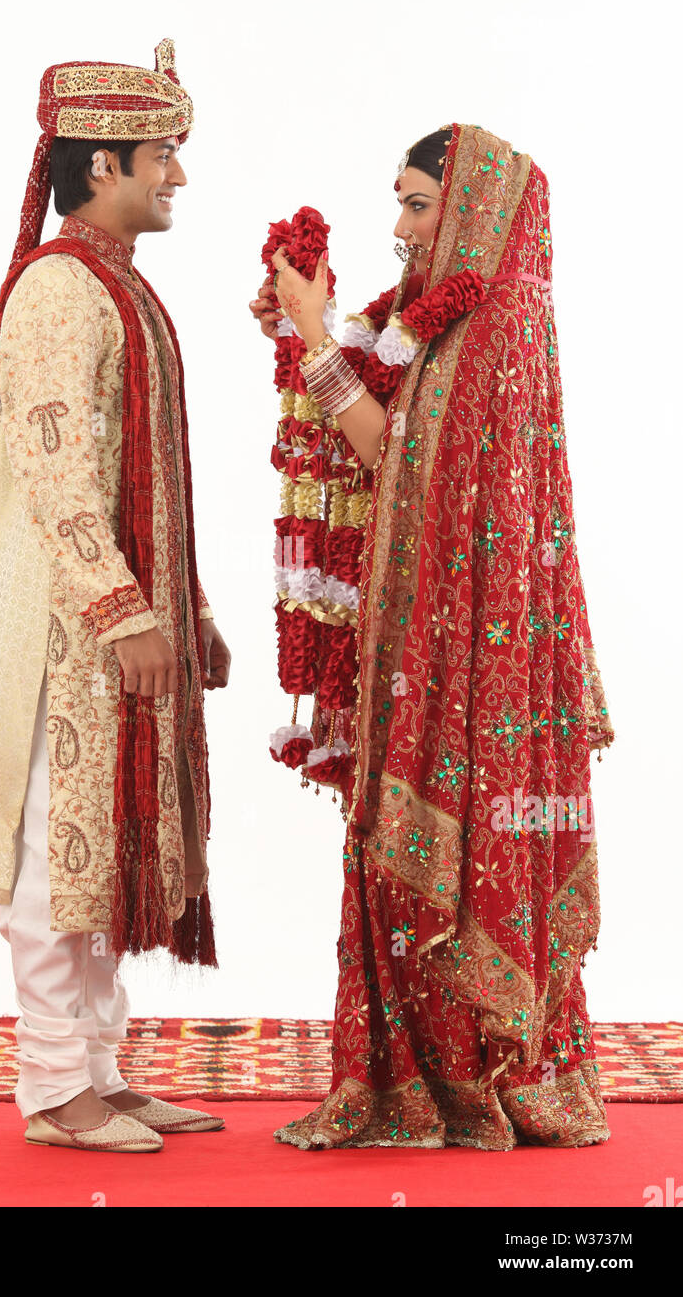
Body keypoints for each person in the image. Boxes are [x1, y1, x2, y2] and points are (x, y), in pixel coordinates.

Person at [250, 123, 615, 1150]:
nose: (402, 228)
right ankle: (449, 1065)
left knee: (417, 853)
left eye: (418, 206)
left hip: (451, 671)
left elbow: (389, 453)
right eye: (402, 203)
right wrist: (321, 330)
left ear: (474, 217)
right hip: (424, 650)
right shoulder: (444, 326)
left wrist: (317, 341)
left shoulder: (481, 342)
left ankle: (447, 1076)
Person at [0, 39, 231, 1153]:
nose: (177, 177)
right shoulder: (61, 291)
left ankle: (99, 1068)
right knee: (59, 851)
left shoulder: (122, 291)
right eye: (163, 155)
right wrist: (123, 610)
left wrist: (185, 609)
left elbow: (147, 479)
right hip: (72, 631)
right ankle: (54, 1087)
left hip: (121, 628)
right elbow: (60, 470)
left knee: (107, 847)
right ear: (103, 163)